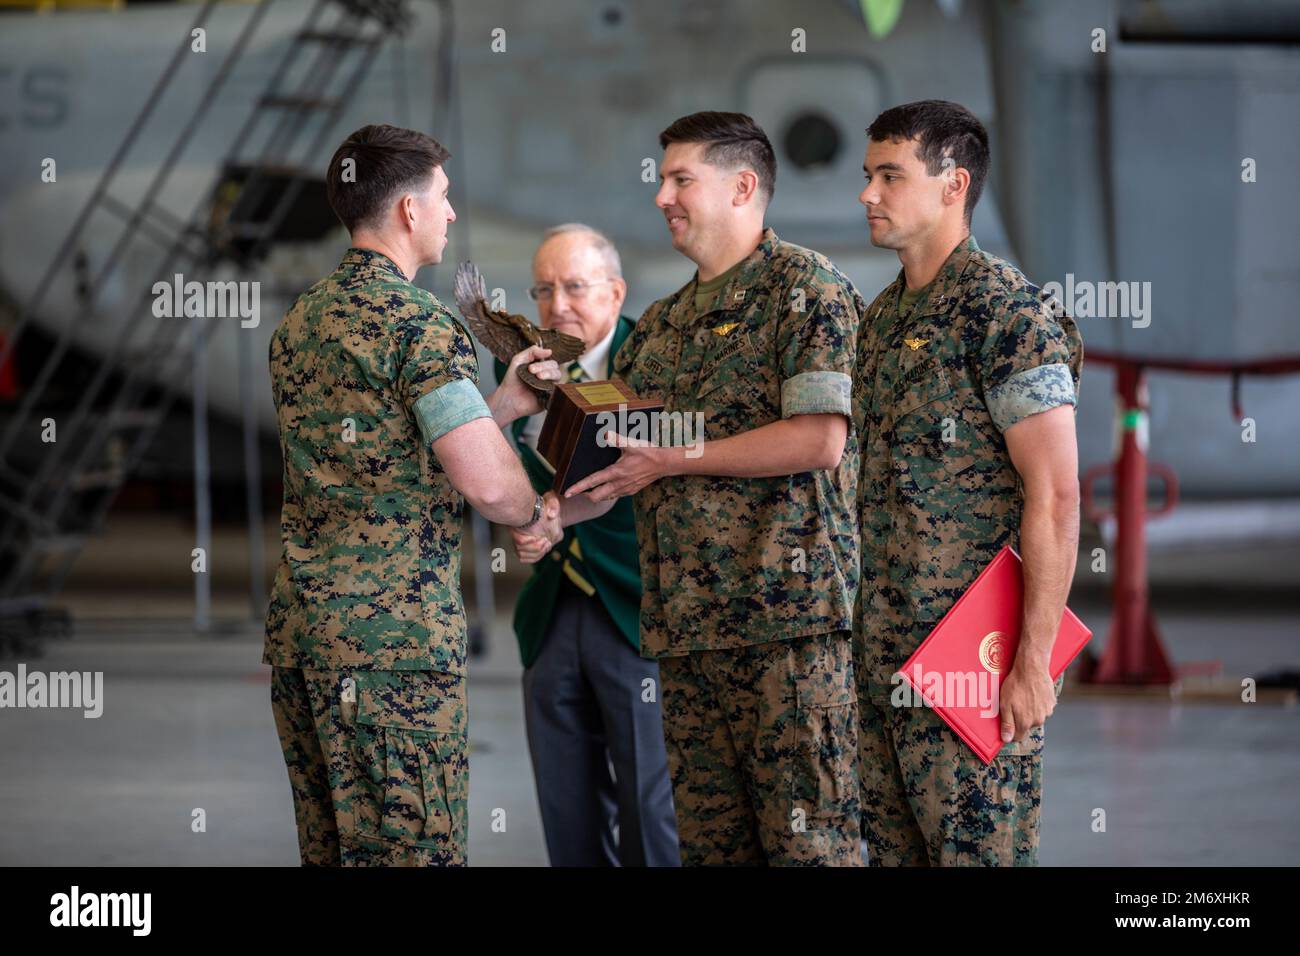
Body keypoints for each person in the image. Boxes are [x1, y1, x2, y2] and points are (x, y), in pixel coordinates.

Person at [558, 111, 865, 866]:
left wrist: (674, 457)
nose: (661, 195)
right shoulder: (665, 324)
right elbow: (630, 447)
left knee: (810, 849)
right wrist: (557, 427)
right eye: (662, 178)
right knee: (711, 851)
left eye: (680, 179)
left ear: (743, 186)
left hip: (788, 635)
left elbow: (820, 438)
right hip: (687, 636)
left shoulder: (807, 292)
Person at [264, 123, 562, 867]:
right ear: (406, 210)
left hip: (307, 641)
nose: (452, 214)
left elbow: (393, 455)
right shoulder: (420, 326)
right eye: (444, 197)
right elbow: (488, 483)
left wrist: (503, 408)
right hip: (393, 652)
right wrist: (537, 514)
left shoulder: (301, 323)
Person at [854, 99, 1083, 866]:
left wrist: (1031, 664)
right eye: (867, 176)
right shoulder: (882, 319)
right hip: (884, 661)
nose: (869, 195)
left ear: (953, 185)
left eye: (891, 176)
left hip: (970, 661)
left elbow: (1054, 495)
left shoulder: (1006, 314)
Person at [498, 223, 679, 866]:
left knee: (650, 805)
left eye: (575, 287)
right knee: (565, 802)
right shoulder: (520, 370)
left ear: (615, 291)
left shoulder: (654, 358)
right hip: (550, 608)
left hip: (633, 606)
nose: (558, 306)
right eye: (544, 290)